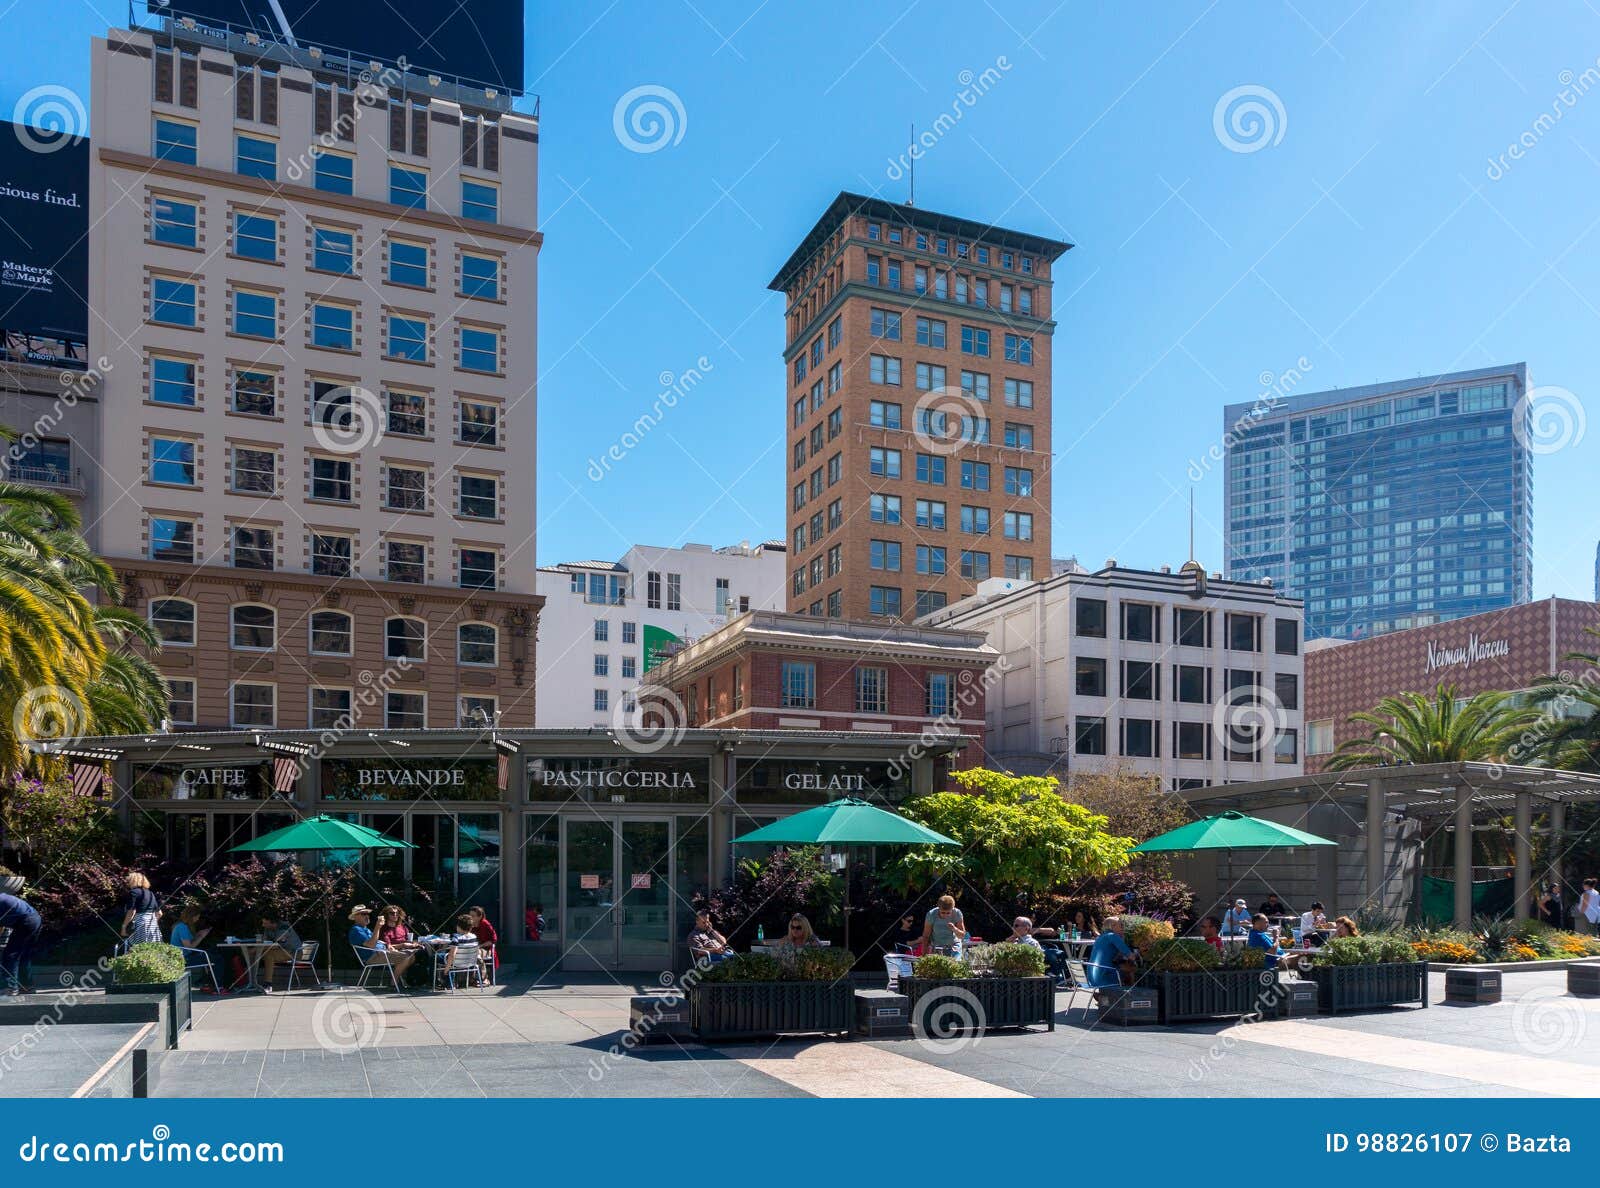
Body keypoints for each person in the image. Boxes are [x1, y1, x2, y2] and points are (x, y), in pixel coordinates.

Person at [347, 905, 416, 985]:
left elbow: (377, 943)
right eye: (363, 914)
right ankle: (394, 983)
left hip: (382, 952)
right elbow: (371, 945)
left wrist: (391, 946)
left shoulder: (365, 929)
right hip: (373, 957)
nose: (367, 916)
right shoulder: (356, 930)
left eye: (367, 914)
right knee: (408, 957)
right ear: (355, 917)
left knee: (412, 955)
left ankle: (396, 982)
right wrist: (378, 927)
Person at [0, 890, 41, 995]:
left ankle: (10, 988)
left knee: (10, 955)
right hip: (35, 919)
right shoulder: (2, 898)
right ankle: (27, 986)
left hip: (26, 922)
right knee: (23, 956)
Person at [1084, 916, 1137, 988]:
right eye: (1120, 925)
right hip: (1104, 978)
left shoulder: (1100, 937)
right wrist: (1139, 952)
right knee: (1132, 968)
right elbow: (1131, 957)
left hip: (1092, 978)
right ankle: (1130, 992)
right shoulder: (1113, 936)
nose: (1123, 928)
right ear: (1113, 926)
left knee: (1123, 967)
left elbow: (1115, 955)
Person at [258, 912, 303, 990]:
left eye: (265, 923)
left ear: (273, 922)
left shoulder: (284, 927)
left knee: (269, 955)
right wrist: (257, 949)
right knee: (258, 953)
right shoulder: (268, 928)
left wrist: (256, 949)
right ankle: (252, 983)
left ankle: (268, 984)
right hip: (281, 950)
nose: (263, 925)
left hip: (294, 952)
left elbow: (277, 945)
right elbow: (264, 942)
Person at [436, 914, 481, 989]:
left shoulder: (456, 937)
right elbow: (477, 951)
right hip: (469, 962)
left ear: (459, 927)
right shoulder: (474, 937)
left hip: (456, 962)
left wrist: (447, 968)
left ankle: (433, 982)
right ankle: (450, 984)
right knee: (450, 960)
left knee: (435, 957)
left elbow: (452, 955)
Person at [120, 872, 162, 947]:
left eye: (128, 881)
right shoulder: (151, 893)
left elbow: (131, 912)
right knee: (153, 949)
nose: (127, 883)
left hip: (140, 923)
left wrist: (124, 927)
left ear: (133, 881)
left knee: (138, 949)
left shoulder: (133, 893)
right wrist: (152, 922)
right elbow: (159, 913)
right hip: (153, 925)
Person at [467, 905, 499, 976]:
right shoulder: (469, 925)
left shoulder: (485, 924)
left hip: (486, 950)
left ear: (480, 916)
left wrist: (480, 946)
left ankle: (482, 975)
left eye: (473, 916)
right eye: (469, 915)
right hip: (471, 948)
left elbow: (493, 940)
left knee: (476, 952)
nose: (470, 918)